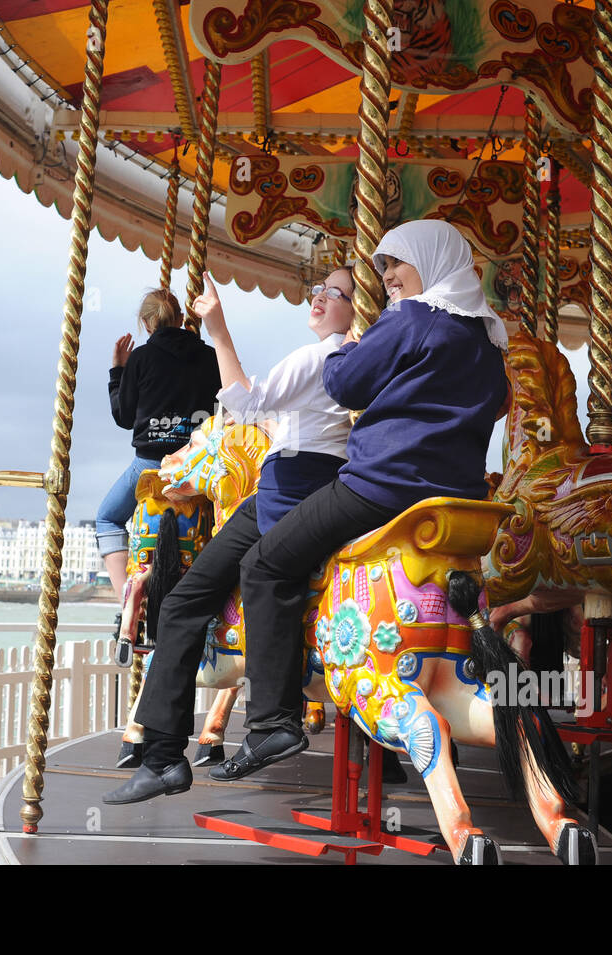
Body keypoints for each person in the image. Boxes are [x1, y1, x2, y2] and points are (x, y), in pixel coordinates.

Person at [207, 219, 511, 782]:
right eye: (382, 267)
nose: (389, 276)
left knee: (266, 562)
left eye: (396, 263)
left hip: (381, 488)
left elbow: (345, 385)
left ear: (430, 258)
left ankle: (274, 720)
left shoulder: (414, 316)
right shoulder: (489, 342)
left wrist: (348, 351)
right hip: (455, 504)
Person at [102, 268, 357, 803]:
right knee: (186, 600)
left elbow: (243, 403)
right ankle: (172, 752)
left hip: (290, 486)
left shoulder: (322, 357)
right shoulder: (339, 362)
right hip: (282, 481)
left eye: (336, 294)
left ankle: (233, 732)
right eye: (318, 290)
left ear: (358, 308)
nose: (319, 299)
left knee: (210, 590)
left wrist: (217, 326)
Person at [98, 289, 221, 600]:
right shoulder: (210, 357)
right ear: (181, 319)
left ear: (146, 323)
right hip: (196, 465)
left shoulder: (140, 358)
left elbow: (124, 417)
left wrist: (117, 372)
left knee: (108, 518)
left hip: (150, 465)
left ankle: (126, 599)